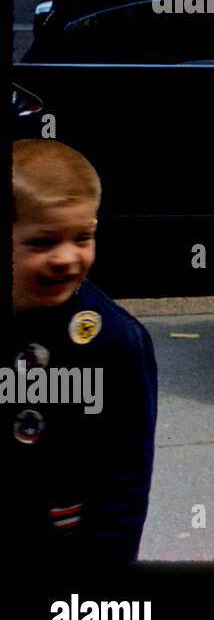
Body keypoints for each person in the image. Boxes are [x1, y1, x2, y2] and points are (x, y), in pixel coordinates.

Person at [6, 140, 158, 564]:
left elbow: (126, 472)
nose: (66, 258)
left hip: (65, 548)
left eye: (83, 237)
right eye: (42, 242)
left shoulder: (114, 341)